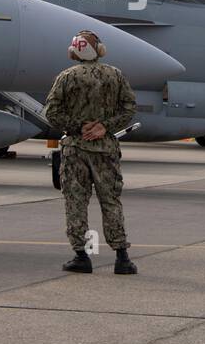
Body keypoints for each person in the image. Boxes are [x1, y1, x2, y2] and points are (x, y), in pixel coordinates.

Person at [42, 30, 138, 275]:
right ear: (99, 50)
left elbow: (51, 112)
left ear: (74, 50)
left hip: (75, 149)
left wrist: (77, 127)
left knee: (76, 202)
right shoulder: (115, 75)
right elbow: (129, 108)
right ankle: (122, 258)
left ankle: (81, 256)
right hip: (105, 149)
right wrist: (105, 127)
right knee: (111, 201)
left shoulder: (66, 77)